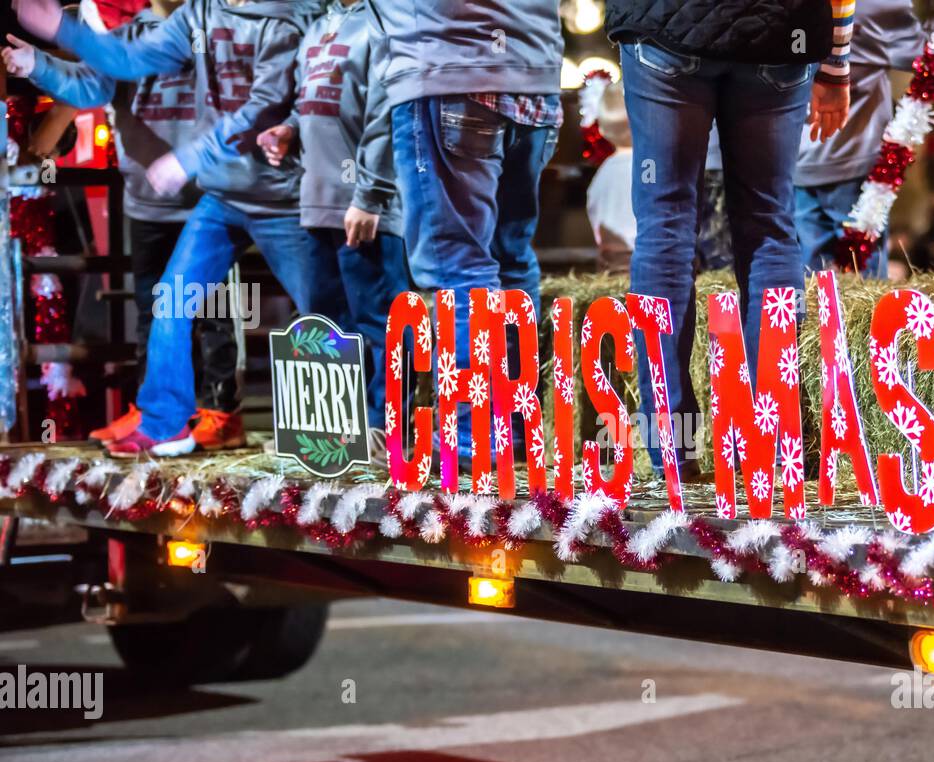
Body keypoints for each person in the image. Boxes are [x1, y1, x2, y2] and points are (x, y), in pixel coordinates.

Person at [15, 0, 313, 456]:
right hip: (216, 195)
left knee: (325, 311)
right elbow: (121, 65)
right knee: (169, 301)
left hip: (277, 195)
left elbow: (267, 105)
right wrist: (52, 41)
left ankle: (362, 424)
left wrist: (190, 158)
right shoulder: (194, 16)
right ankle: (164, 420)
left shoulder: (287, 18)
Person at [604, 0, 855, 473]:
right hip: (780, 34)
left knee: (665, 224)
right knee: (770, 223)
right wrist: (836, 65)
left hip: (663, 30)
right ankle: (774, 437)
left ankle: (671, 444)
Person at [4, 0, 216, 447]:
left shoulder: (205, 18)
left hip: (204, 189)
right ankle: (158, 412)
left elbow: (111, 74)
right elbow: (94, 87)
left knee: (209, 307)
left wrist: (62, 49)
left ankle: (217, 410)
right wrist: (45, 63)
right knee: (154, 306)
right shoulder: (115, 24)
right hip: (145, 193)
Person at [372, 0, 563, 465]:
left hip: (449, 65)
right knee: (510, 257)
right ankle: (513, 427)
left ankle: (470, 433)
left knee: (456, 264)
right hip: (533, 70)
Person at [257, 0, 406, 456]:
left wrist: (369, 195)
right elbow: (314, 102)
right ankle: (335, 432)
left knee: (379, 320)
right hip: (318, 203)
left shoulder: (384, 19)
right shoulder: (318, 25)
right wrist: (288, 129)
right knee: (327, 323)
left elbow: (386, 113)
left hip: (367, 207)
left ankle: (386, 427)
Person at [795, 0, 934, 276]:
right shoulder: (877, 9)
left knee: (814, 283)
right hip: (854, 166)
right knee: (863, 284)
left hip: (798, 162)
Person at [585, 81, 636, 273]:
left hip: (610, 263)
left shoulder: (603, 172)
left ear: (603, 130)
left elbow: (594, 210)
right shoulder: (648, 166)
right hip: (644, 258)